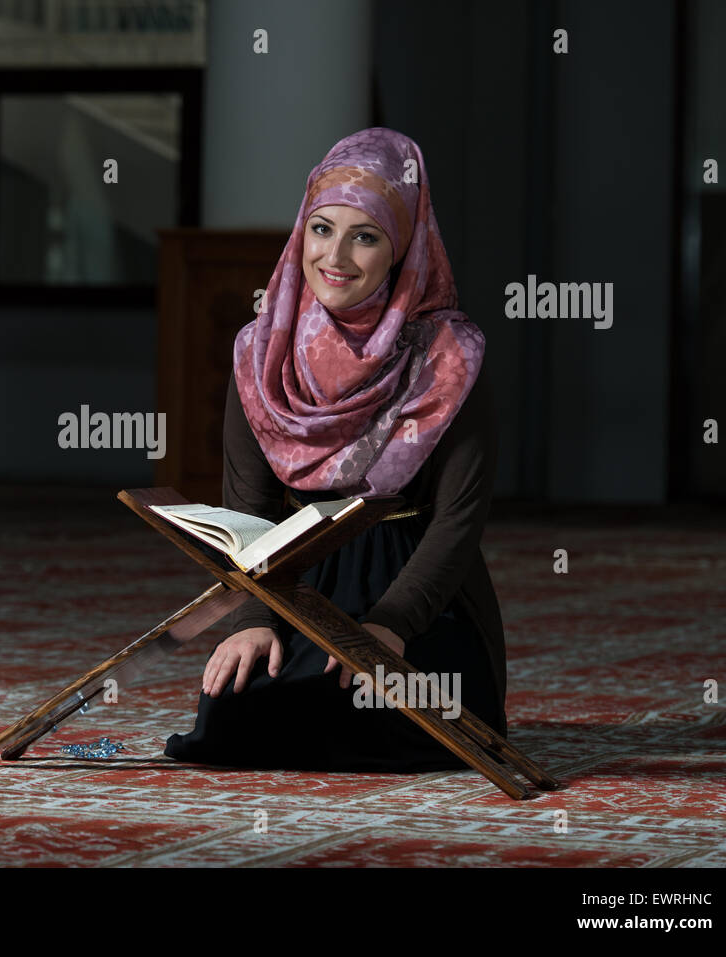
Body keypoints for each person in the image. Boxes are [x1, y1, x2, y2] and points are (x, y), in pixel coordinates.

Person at [163, 127, 508, 772]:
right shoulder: (262, 355)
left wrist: (391, 625)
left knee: (384, 722)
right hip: (296, 580)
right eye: (322, 229)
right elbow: (250, 508)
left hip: (417, 587)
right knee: (235, 722)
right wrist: (249, 622)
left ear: (402, 247)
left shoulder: (450, 355)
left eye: (366, 235)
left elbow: (458, 519)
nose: (337, 256)